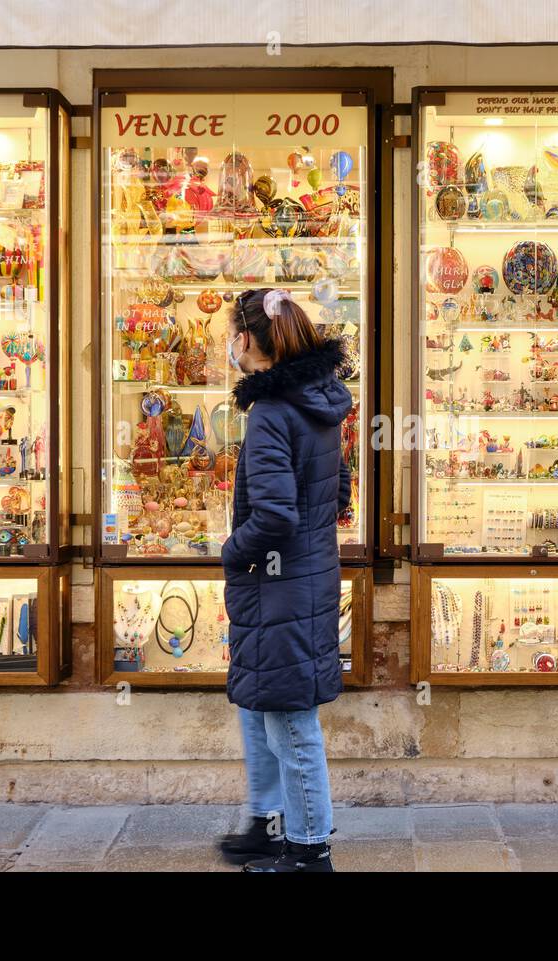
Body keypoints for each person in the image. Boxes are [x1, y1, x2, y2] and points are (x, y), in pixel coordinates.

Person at [216, 287, 350, 873]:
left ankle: (309, 851)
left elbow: (273, 514)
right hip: (308, 576)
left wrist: (231, 551)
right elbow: (339, 492)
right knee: (267, 709)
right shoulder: (315, 402)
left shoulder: (271, 412)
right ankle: (273, 826)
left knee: (292, 724)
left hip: (280, 586)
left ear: (247, 339)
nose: (230, 345)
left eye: (231, 334)